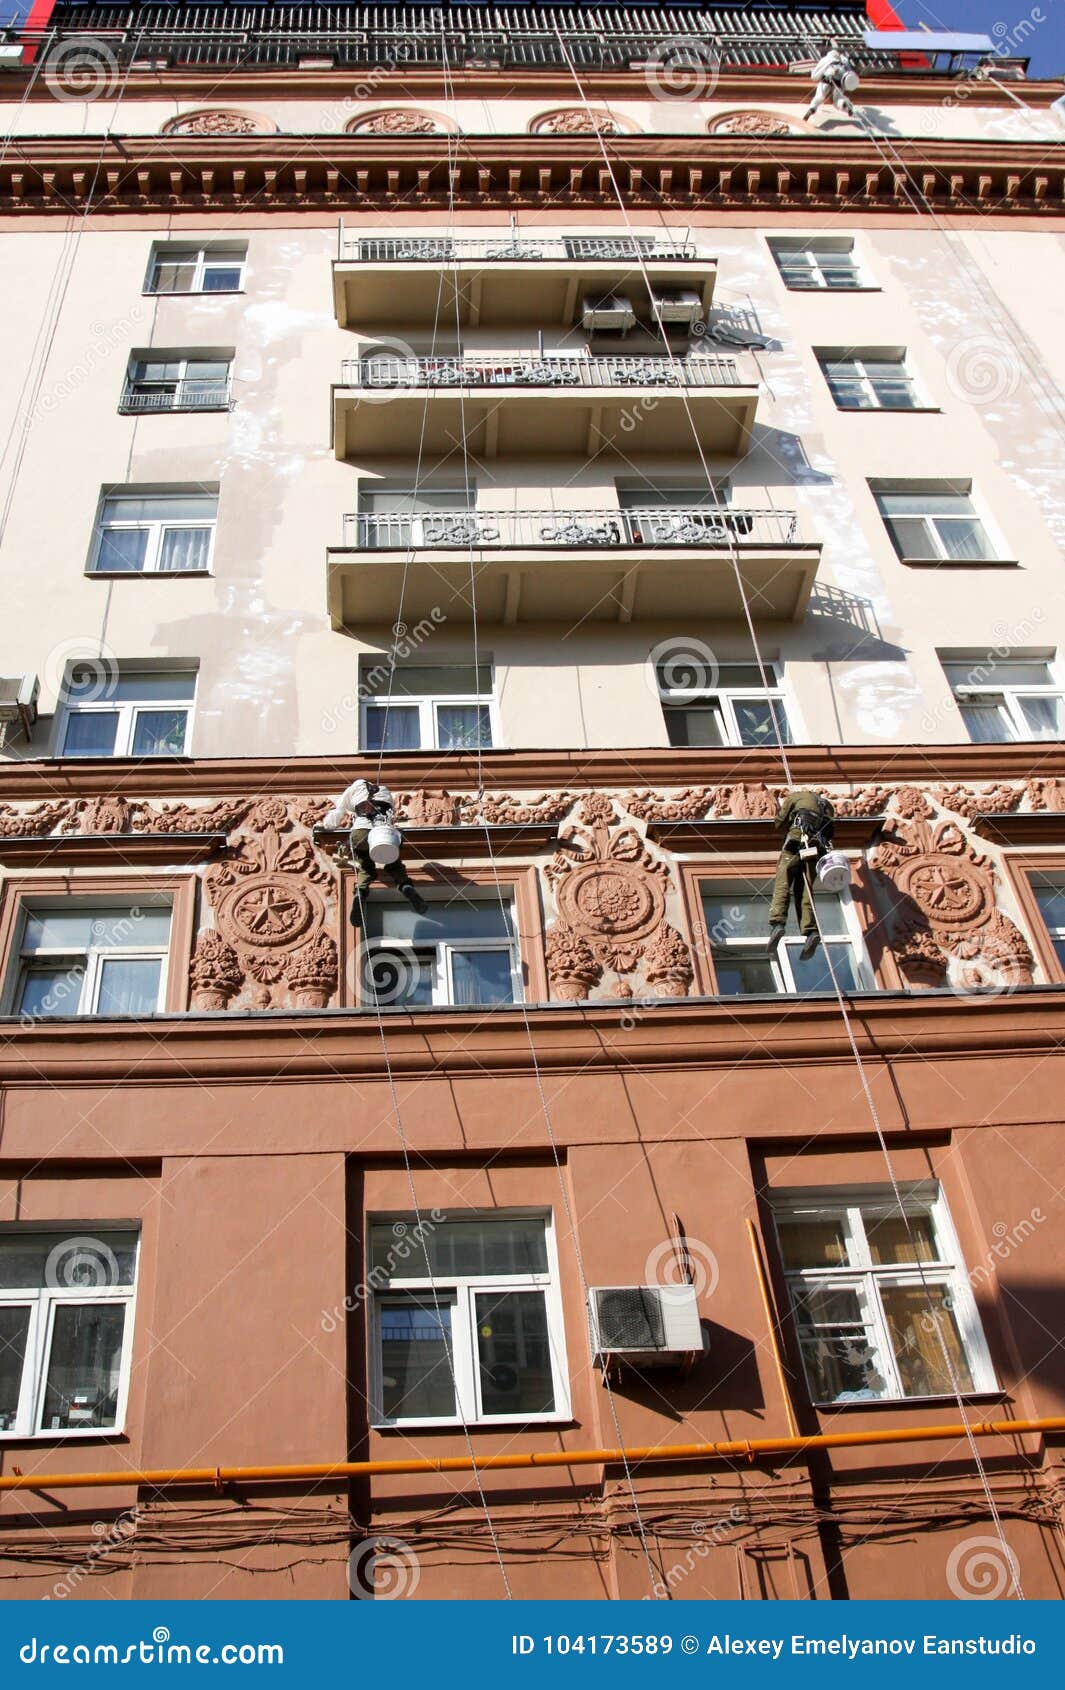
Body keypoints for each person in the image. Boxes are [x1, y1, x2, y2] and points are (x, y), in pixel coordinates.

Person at [325, 779, 427, 928]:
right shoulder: (384, 791)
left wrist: (328, 825)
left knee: (365, 868)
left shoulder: (355, 788)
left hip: (360, 833)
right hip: (385, 834)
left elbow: (338, 809)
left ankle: (360, 893)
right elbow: (391, 813)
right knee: (394, 864)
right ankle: (405, 886)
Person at [767, 789, 836, 961]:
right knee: (805, 888)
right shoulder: (827, 805)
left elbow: (779, 821)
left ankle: (777, 923)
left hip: (797, 839)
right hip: (816, 847)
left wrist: (782, 817)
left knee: (783, 879)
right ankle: (811, 931)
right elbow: (830, 830)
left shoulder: (795, 796)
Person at [804, 44, 859, 123]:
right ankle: (845, 105)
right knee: (837, 99)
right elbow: (849, 72)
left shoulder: (826, 59)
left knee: (820, 96)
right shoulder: (843, 61)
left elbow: (815, 75)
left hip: (827, 80)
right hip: (839, 82)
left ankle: (812, 108)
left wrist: (817, 76)